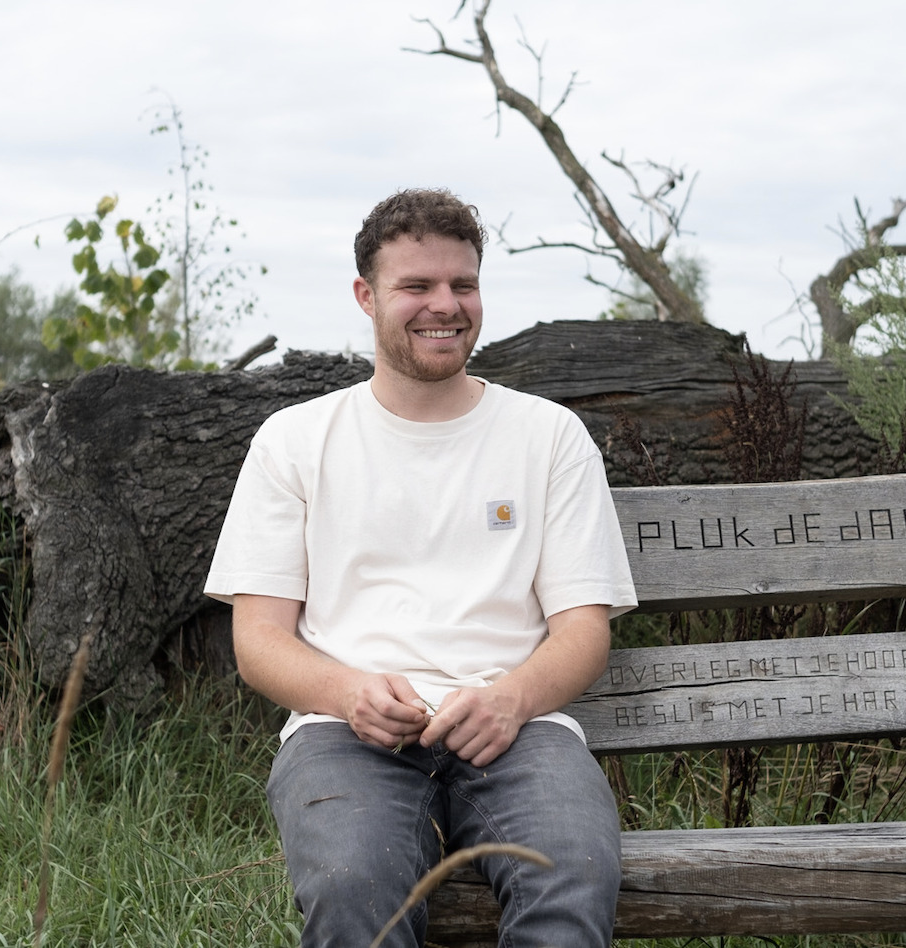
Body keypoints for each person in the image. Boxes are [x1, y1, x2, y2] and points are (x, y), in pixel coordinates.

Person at [205, 188, 637, 948]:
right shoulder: (295, 441)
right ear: (366, 296)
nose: (446, 305)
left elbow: (582, 632)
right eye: (416, 286)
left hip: (521, 729)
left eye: (462, 284)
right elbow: (258, 640)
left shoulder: (549, 437)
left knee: (574, 873)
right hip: (345, 734)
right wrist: (348, 691)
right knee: (352, 887)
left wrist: (509, 700)